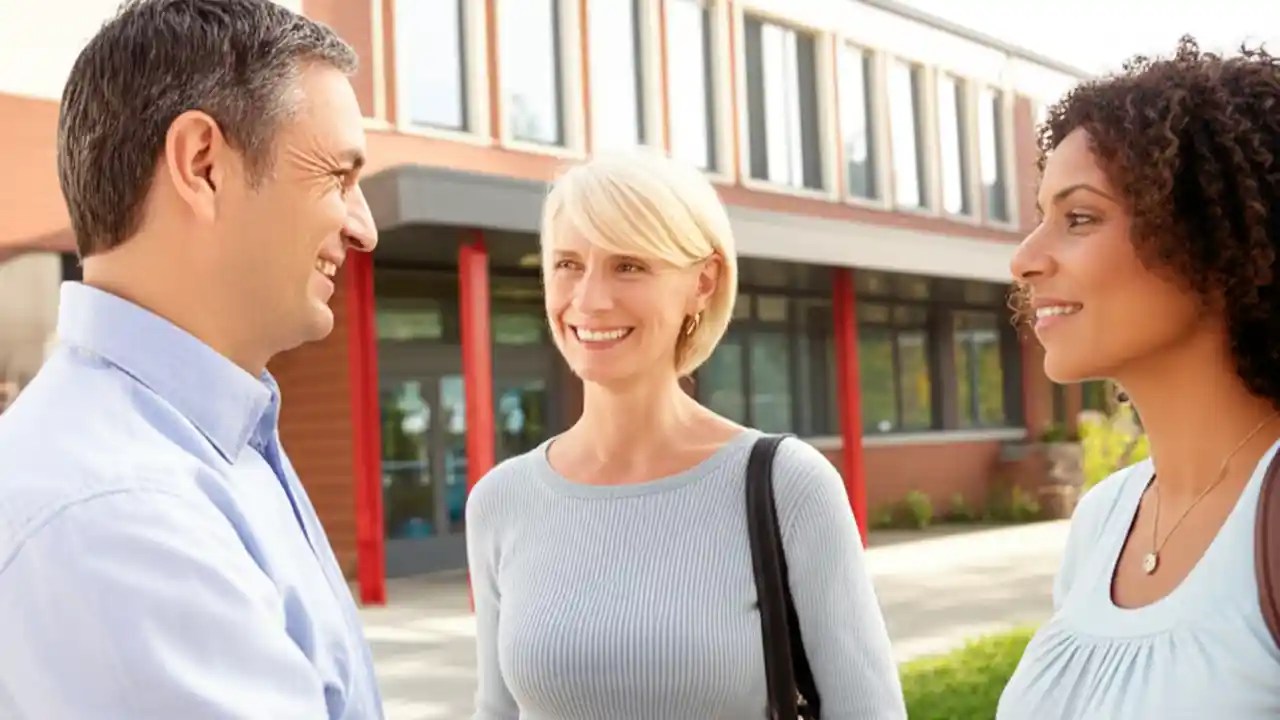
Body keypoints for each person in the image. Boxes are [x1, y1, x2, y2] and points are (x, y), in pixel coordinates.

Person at [0, 1, 382, 718]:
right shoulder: (121, 512)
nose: (363, 228)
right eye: (338, 175)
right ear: (203, 164)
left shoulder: (205, 446)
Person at [464, 149, 906, 719]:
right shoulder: (501, 501)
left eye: (629, 265)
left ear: (703, 281)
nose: (590, 299)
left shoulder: (788, 486)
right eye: (569, 263)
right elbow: (495, 712)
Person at [997, 36, 1280, 719]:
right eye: (1041, 218)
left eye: (1080, 217)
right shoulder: (1104, 517)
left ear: (1211, 240)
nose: (1025, 260)